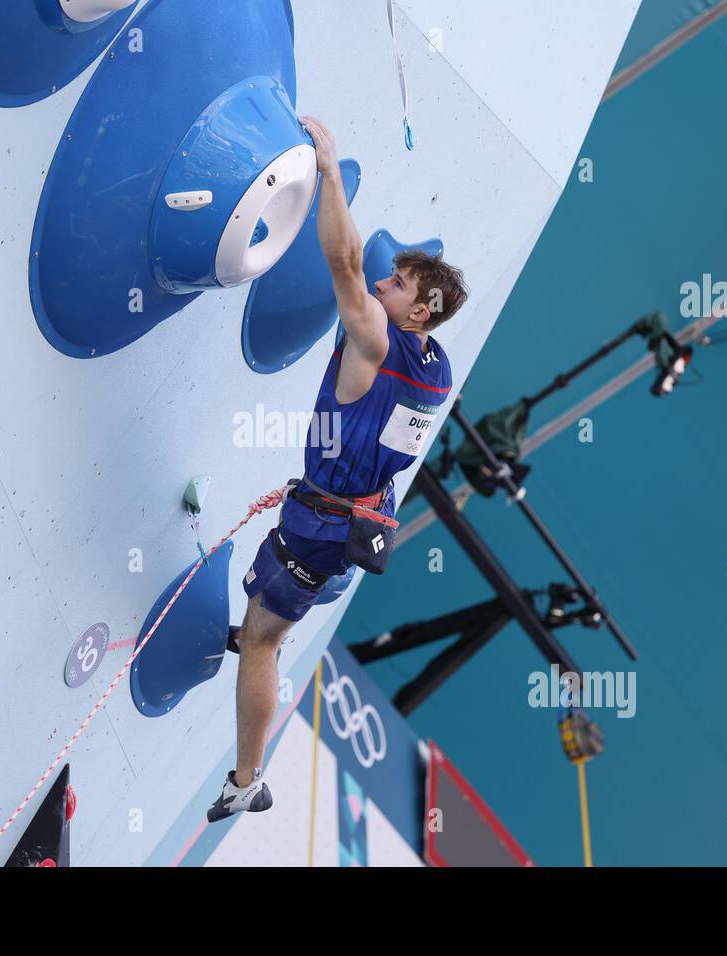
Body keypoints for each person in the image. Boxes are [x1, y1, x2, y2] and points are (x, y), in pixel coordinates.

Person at [206, 115, 470, 822]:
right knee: (276, 608)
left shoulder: (377, 342)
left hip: (324, 524)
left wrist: (328, 172)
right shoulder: (437, 368)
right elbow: (401, 290)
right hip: (356, 512)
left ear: (420, 311)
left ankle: (246, 780)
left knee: (261, 645)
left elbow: (346, 264)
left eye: (400, 284)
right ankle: (276, 610)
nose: (382, 284)